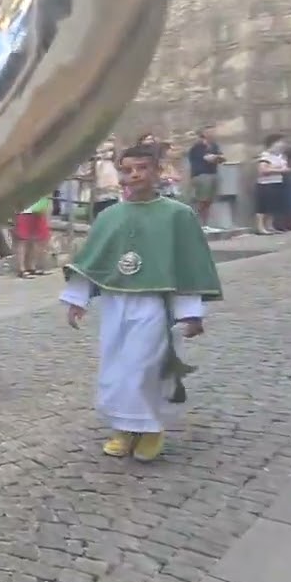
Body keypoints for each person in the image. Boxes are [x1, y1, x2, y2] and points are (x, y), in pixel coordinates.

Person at [60, 144, 222, 462]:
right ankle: (122, 428)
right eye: (127, 169)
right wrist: (78, 299)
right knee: (116, 367)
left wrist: (191, 312)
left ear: (157, 171)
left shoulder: (178, 215)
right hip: (116, 303)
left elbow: (187, 265)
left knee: (144, 367)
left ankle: (150, 429)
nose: (134, 175)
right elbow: (93, 259)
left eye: (142, 168)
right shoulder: (110, 216)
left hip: (155, 306)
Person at [187, 126, 224, 226]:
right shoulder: (197, 147)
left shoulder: (214, 146)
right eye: (209, 131)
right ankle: (195, 222)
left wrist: (216, 157)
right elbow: (207, 158)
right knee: (202, 200)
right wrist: (215, 157)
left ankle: (205, 224)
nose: (212, 133)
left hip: (213, 174)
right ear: (204, 133)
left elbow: (222, 158)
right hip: (201, 176)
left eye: (213, 131)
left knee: (209, 201)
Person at [12, 194, 52, 278]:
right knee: (22, 240)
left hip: (38, 207)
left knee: (38, 239)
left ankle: (31, 267)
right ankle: (21, 269)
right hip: (24, 208)